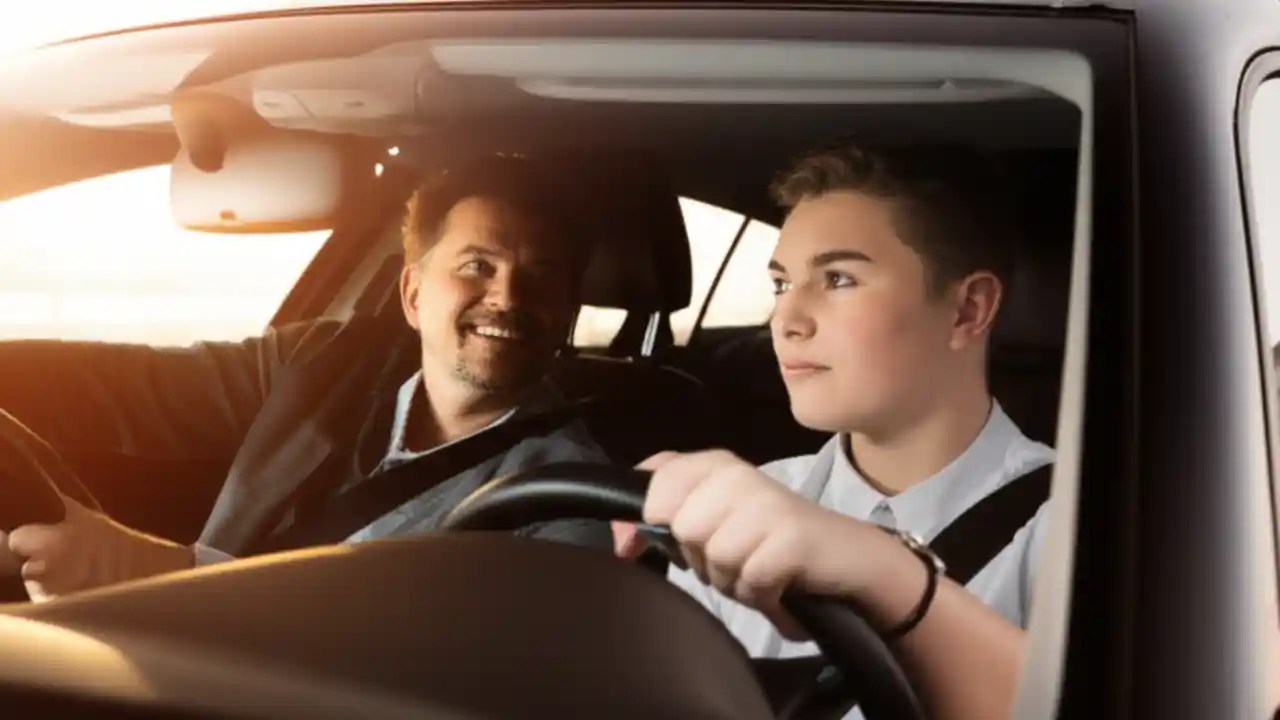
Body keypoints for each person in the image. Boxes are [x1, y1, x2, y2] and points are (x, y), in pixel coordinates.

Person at [0, 155, 613, 601]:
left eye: (541, 276)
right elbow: (119, 389)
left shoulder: (573, 495)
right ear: (413, 293)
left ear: (568, 312)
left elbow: (448, 667)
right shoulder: (324, 363)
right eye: (478, 266)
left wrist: (155, 571)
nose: (507, 296)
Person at [614, 140, 1055, 720]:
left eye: (839, 279)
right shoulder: (740, 509)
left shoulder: (1078, 530)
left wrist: (884, 573)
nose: (785, 320)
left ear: (967, 310)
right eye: (780, 285)